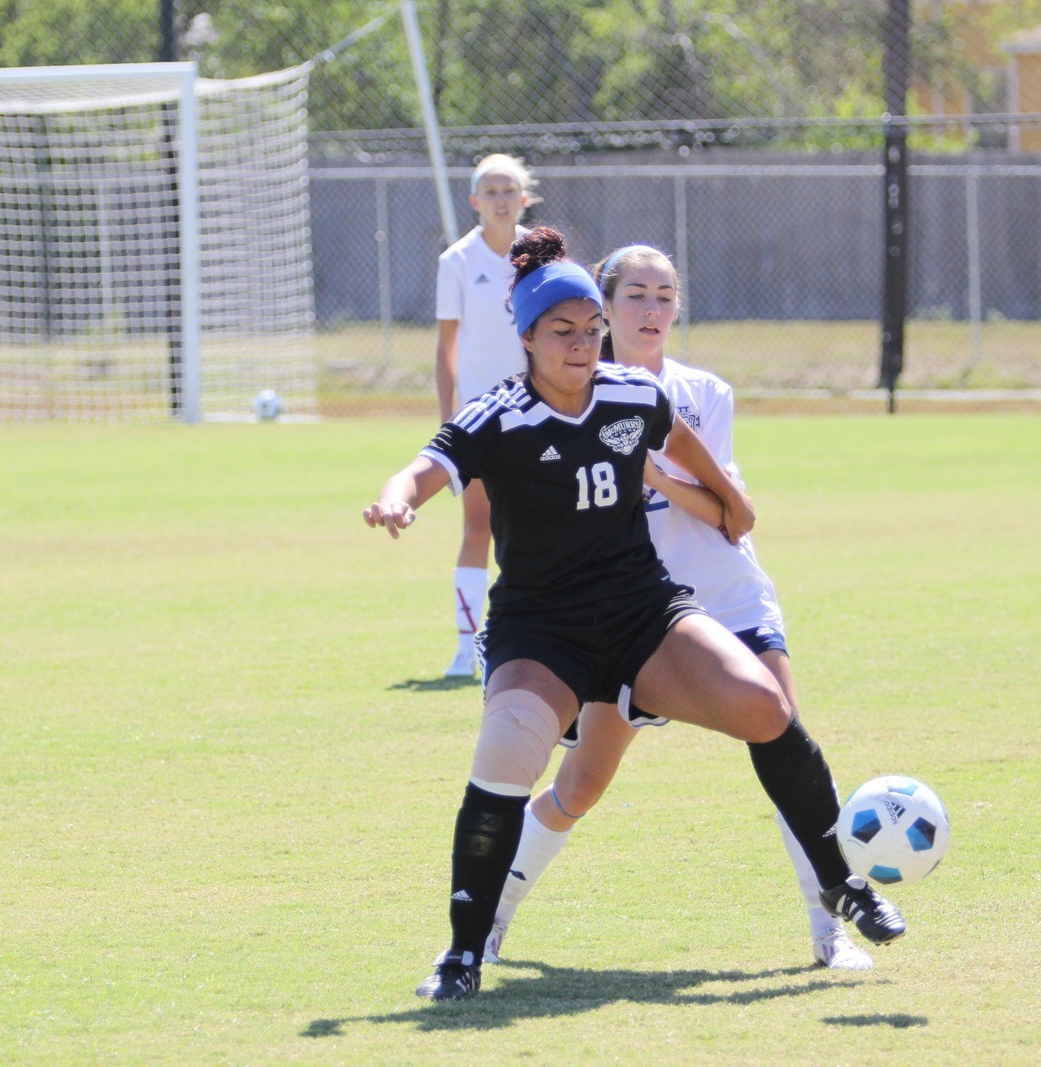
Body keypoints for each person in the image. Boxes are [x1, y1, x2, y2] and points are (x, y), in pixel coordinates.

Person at [364, 227, 906, 1002]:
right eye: (564, 332)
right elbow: (429, 464)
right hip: (542, 625)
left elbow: (725, 495)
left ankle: (842, 891)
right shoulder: (499, 415)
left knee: (766, 706)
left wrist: (678, 478)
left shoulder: (638, 395)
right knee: (510, 755)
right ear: (525, 337)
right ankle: (461, 953)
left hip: (642, 612)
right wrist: (396, 498)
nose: (582, 345)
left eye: (590, 330)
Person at [483, 244, 873, 971]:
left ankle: (832, 931)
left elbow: (732, 515)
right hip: (635, 615)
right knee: (580, 785)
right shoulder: (558, 403)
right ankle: (492, 917)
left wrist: (652, 473)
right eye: (636, 296)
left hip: (726, 596)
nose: (653, 310)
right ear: (601, 311)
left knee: (785, 736)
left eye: (666, 295)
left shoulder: (702, 394)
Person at [434, 154, 538, 678]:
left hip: (540, 410)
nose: (501, 199)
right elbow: (446, 348)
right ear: (475, 201)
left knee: (545, 526)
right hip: (482, 416)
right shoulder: (457, 260)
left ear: (524, 197)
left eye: (509, 190)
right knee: (479, 527)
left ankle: (543, 637)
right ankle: (465, 645)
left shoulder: (538, 255)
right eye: (491, 191)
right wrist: (447, 421)